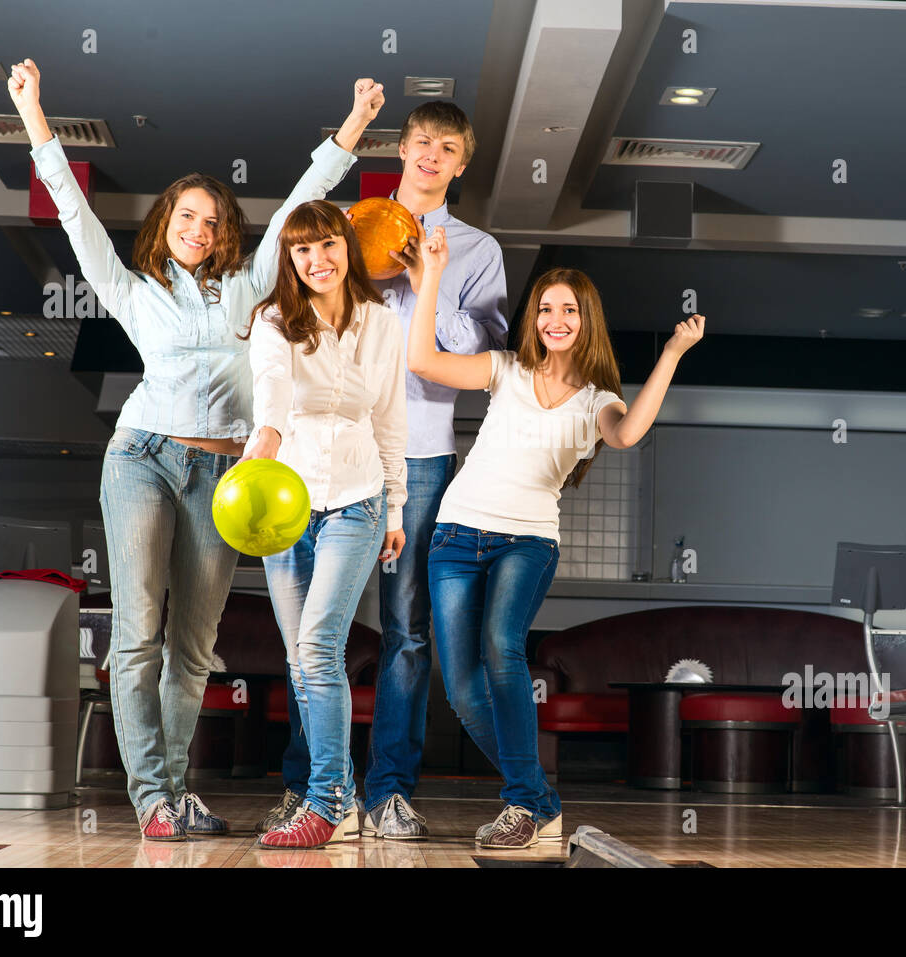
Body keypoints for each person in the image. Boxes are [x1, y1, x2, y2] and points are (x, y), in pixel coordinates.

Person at [7, 57, 383, 841]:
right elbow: (76, 216)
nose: (200, 230)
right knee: (140, 629)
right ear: (164, 224)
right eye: (187, 218)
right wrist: (37, 119)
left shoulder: (251, 290)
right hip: (143, 457)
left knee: (194, 646)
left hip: (226, 475)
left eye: (213, 221)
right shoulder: (133, 290)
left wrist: (349, 131)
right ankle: (153, 799)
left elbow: (295, 212)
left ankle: (175, 793)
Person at [407, 242, 705, 849]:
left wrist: (671, 353)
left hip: (528, 540)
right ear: (534, 319)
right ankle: (540, 801)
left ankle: (522, 805)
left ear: (585, 320)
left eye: (568, 309)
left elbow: (626, 436)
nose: (556, 320)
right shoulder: (505, 369)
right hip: (456, 534)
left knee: (501, 647)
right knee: (462, 693)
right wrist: (431, 274)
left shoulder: (598, 399)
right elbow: (421, 359)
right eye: (546, 309)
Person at [358, 101, 508, 840]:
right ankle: (309, 789)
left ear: (460, 164)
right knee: (312, 635)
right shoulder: (349, 227)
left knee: (406, 631)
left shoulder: (477, 250)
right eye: (422, 141)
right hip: (338, 448)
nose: (431, 155)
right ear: (402, 147)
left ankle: (386, 792)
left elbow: (478, 362)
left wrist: (425, 280)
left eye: (447, 148)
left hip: (420, 455)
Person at [243, 199, 408, 849]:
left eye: (328, 244)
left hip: (358, 502)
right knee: (299, 658)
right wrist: (267, 437)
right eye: (302, 249)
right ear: (290, 258)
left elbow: (391, 419)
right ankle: (328, 792)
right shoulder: (274, 320)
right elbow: (273, 389)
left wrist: (396, 505)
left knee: (318, 648)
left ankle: (330, 800)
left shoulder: (381, 323)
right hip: (284, 504)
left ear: (349, 245)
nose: (317, 259)